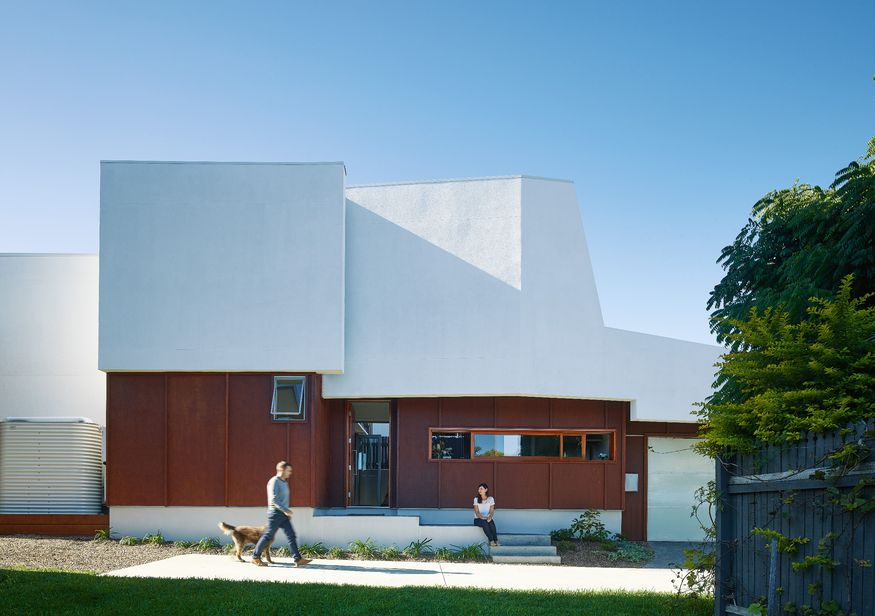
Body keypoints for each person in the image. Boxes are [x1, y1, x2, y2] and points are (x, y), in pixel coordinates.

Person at [251, 461, 311, 567]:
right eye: (288, 470)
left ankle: (298, 559)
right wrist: (285, 510)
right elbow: (273, 499)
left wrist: (285, 511)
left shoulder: (284, 482)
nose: (290, 473)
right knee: (268, 536)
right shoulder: (274, 481)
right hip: (275, 514)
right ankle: (255, 557)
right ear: (281, 470)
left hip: (283, 514)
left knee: (291, 535)